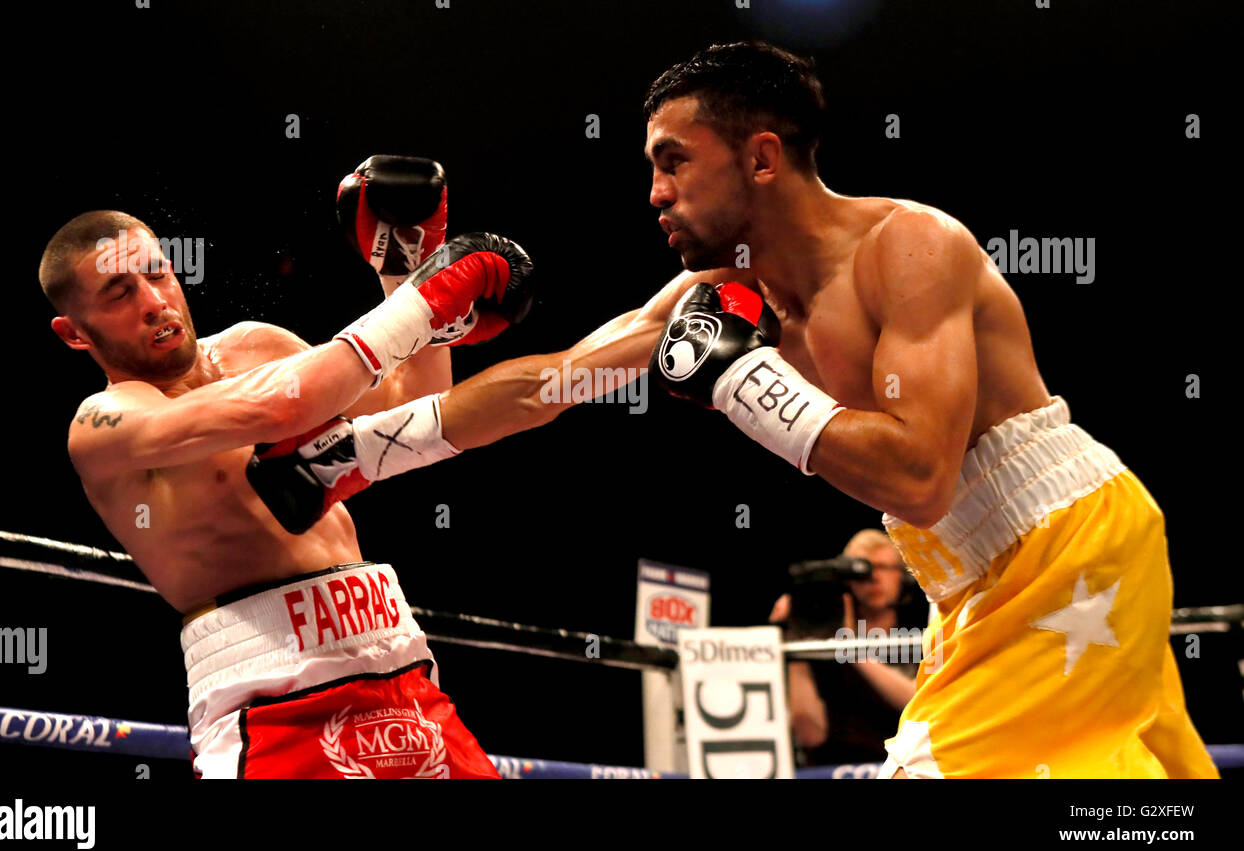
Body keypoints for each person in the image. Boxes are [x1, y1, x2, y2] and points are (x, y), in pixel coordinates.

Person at [330, 41, 1216, 778]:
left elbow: (917, 475)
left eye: (673, 161)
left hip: (1071, 548)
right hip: (971, 583)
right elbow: (551, 382)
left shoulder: (910, 248)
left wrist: (747, 382)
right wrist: (349, 455)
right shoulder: (713, 290)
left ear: (760, 156)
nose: (654, 193)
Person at [41, 156, 534, 778]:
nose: (154, 301)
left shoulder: (256, 345)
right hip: (268, 698)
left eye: (157, 274)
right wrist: (423, 300)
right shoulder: (104, 424)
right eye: (120, 294)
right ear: (73, 334)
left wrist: (402, 270)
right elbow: (278, 407)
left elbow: (413, 407)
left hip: (395, 658)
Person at [769, 530, 920, 767]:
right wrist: (795, 639)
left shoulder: (916, 640)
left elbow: (918, 700)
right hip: (830, 769)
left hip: (901, 769)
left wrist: (853, 649)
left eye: (883, 567)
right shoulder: (823, 643)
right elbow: (809, 734)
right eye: (862, 570)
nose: (873, 578)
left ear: (903, 577)